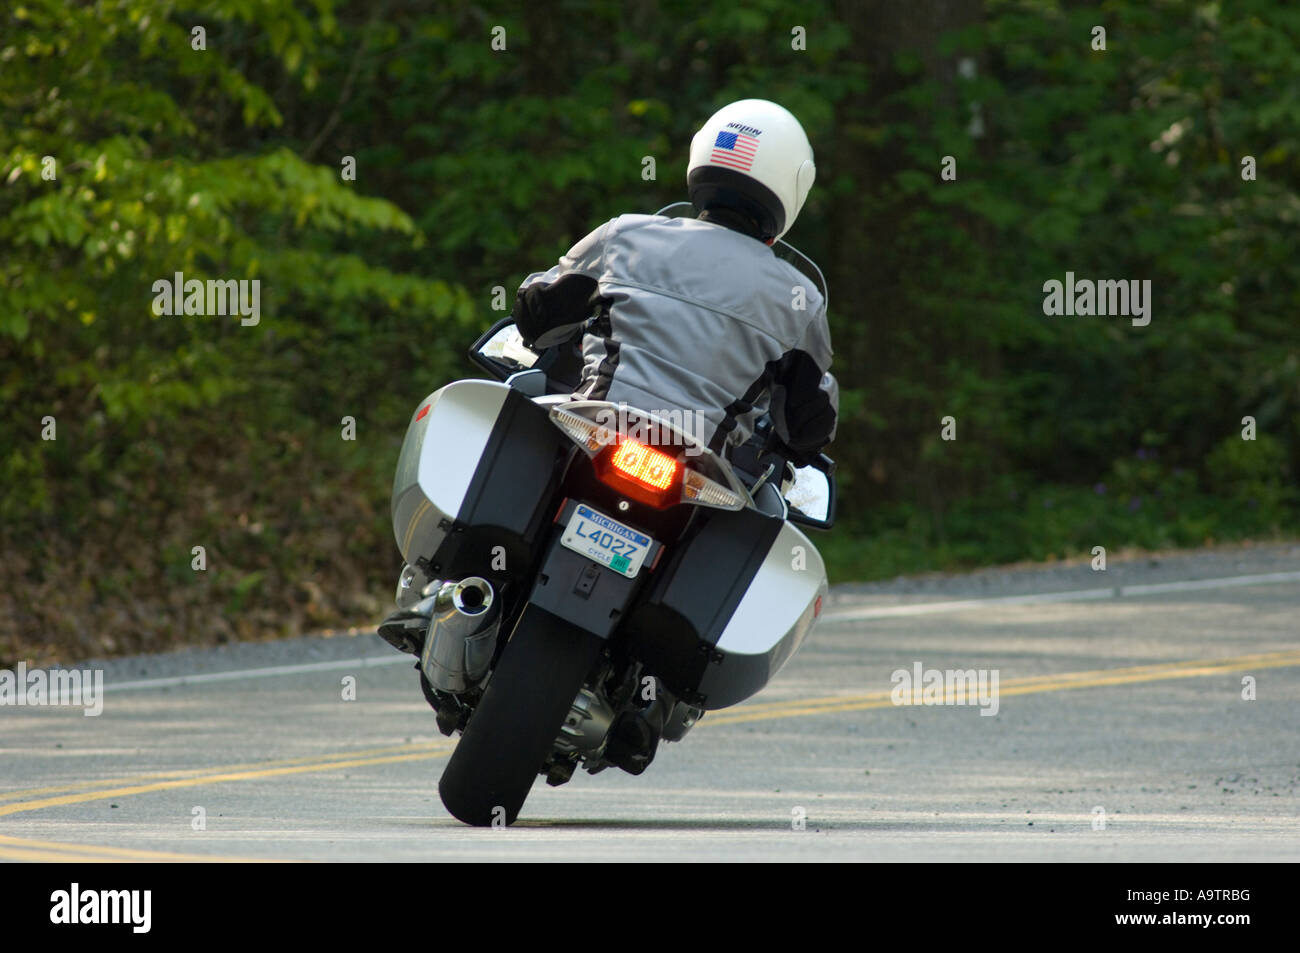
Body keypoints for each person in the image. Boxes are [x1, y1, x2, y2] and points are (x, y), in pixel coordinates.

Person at [510, 98, 837, 472]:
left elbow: (536, 315)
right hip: (698, 470)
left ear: (704, 149)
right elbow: (807, 427)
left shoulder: (626, 234)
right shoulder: (802, 302)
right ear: (797, 181)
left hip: (594, 429)